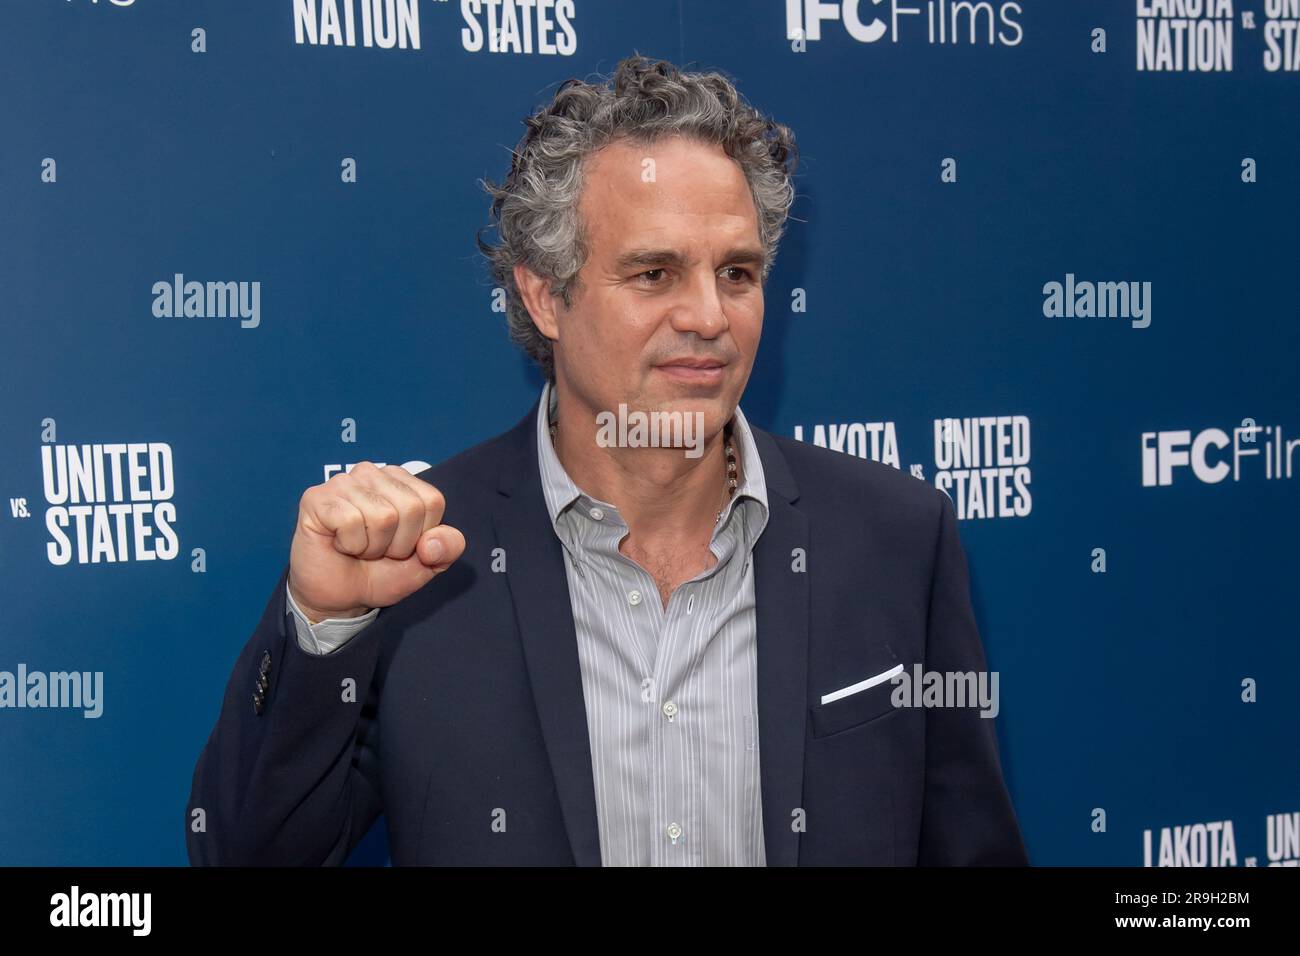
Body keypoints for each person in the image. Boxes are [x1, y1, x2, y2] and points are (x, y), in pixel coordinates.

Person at [186, 54, 1028, 866]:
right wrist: (325, 624)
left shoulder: (894, 539)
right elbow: (246, 854)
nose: (708, 315)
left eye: (736, 272)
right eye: (655, 273)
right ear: (546, 295)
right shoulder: (419, 559)